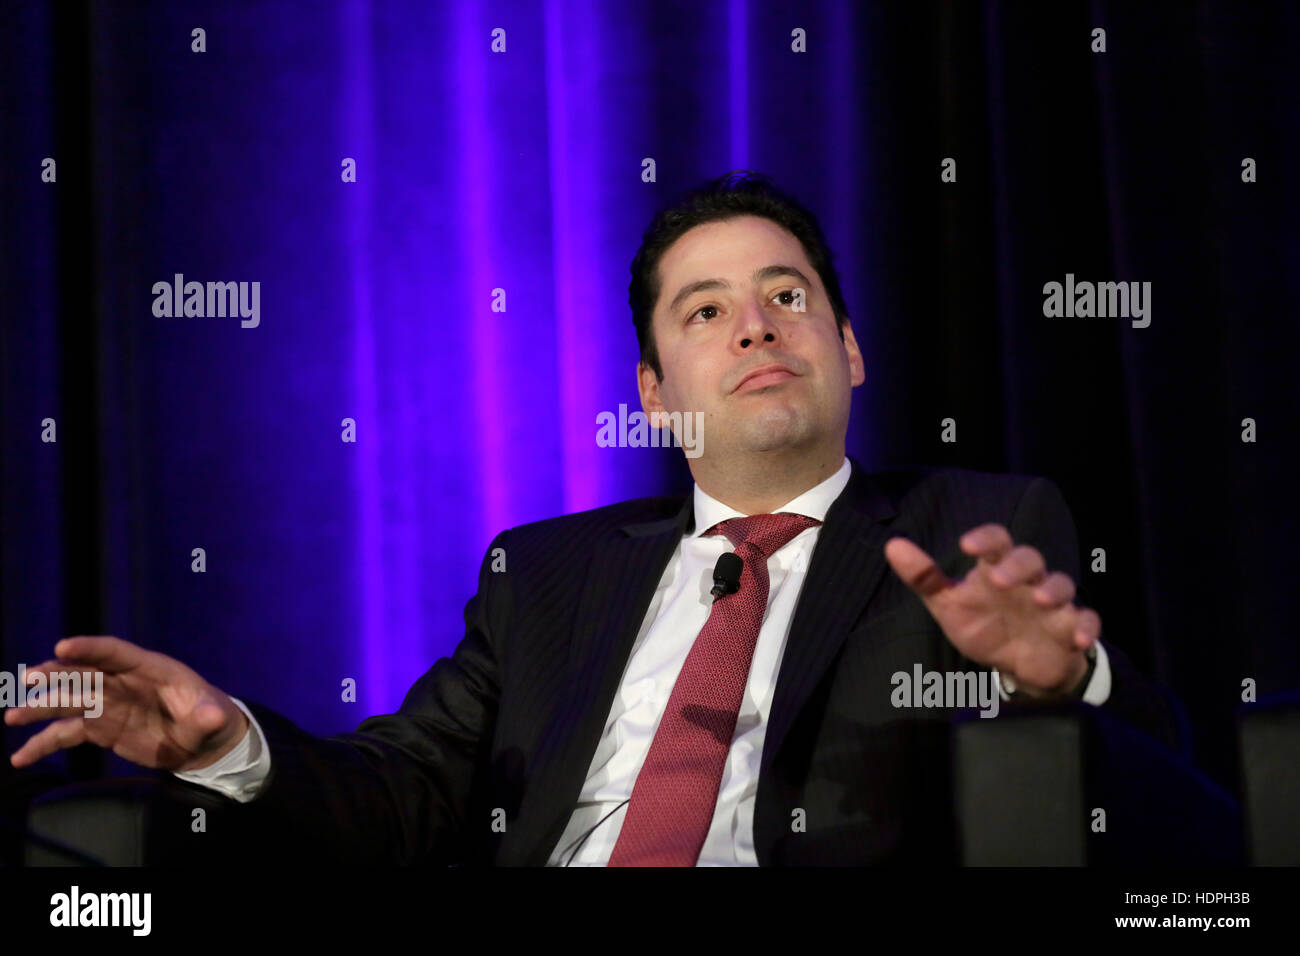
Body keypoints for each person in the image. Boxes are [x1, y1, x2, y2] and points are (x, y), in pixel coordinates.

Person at [5, 171, 1181, 866]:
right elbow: (407, 788)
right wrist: (227, 741)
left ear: (850, 348)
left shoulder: (970, 525)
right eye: (706, 310)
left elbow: (1174, 789)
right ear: (656, 397)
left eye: (788, 296)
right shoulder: (547, 572)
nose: (757, 327)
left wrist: (1059, 682)